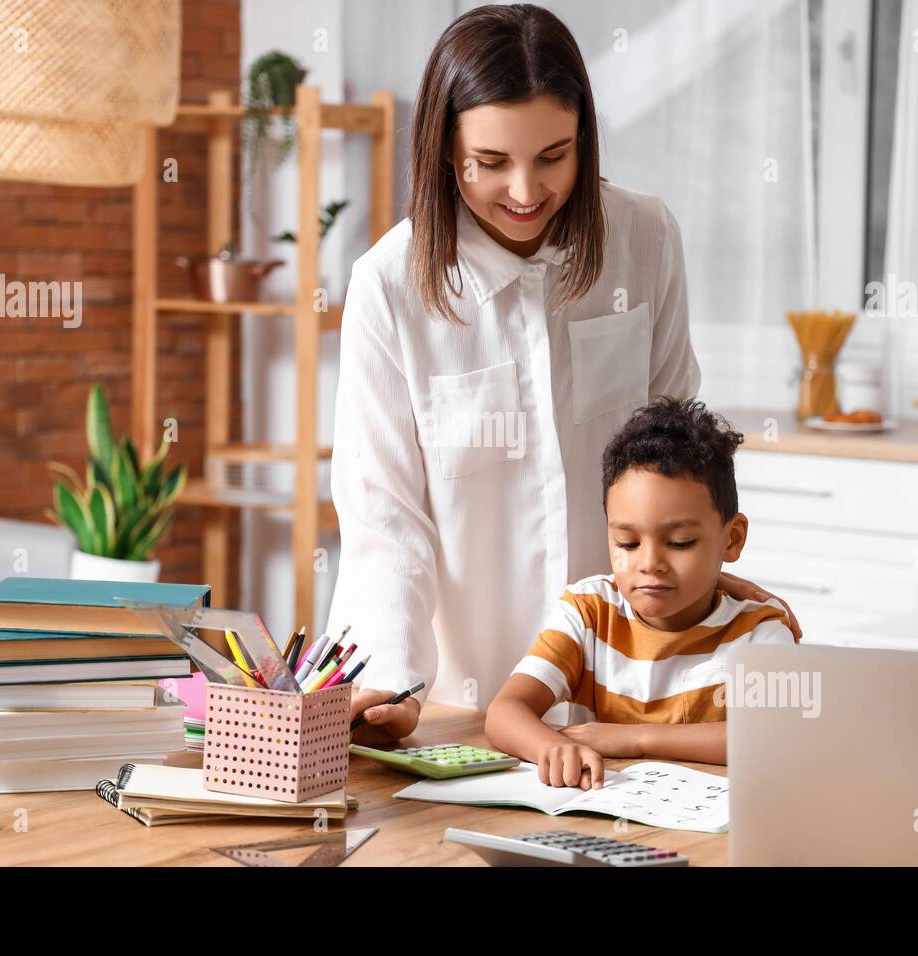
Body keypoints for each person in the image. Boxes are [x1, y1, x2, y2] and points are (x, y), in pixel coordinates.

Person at [327, 4, 801, 745]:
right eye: (490, 163)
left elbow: (678, 451)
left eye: (553, 156)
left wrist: (701, 570)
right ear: (445, 151)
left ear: (584, 140)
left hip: (629, 701)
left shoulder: (644, 239)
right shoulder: (389, 286)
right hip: (465, 706)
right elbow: (385, 519)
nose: (525, 191)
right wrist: (393, 677)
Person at [485, 398, 798, 787]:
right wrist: (551, 747)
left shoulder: (760, 631)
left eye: (681, 542)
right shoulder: (589, 613)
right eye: (628, 543)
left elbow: (775, 738)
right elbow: (505, 711)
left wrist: (632, 738)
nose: (650, 563)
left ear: (731, 539)